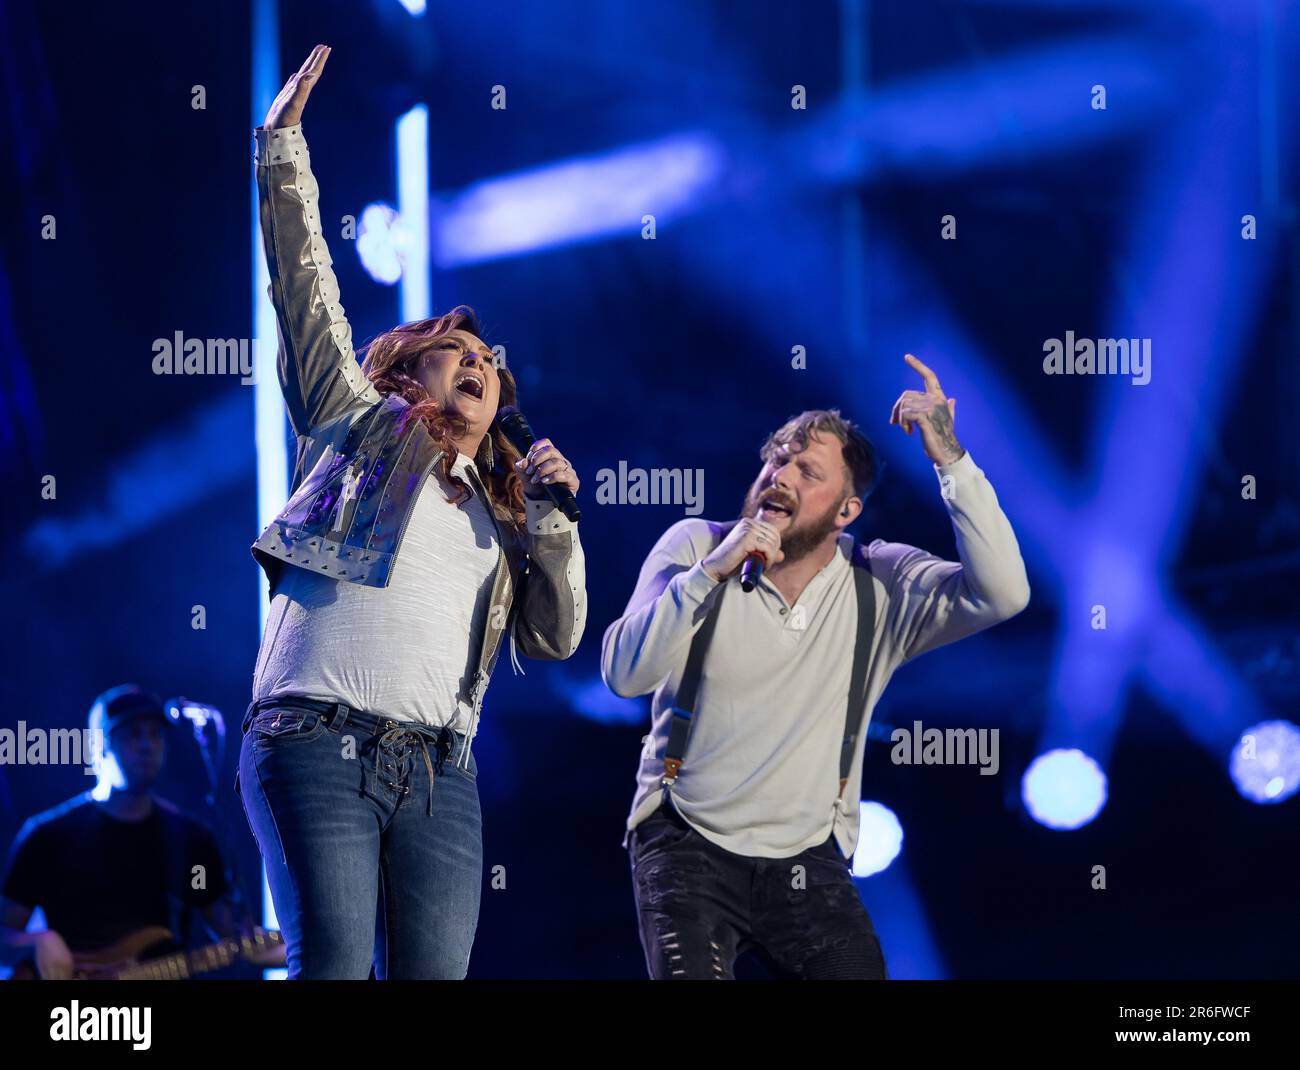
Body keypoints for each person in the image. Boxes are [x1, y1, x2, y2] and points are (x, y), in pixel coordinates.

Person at [239, 44, 587, 979]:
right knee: (337, 968)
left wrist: (553, 518)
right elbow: (306, 296)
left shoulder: (503, 509)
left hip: (442, 774)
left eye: (489, 359)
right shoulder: (359, 426)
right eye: (455, 348)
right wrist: (281, 153)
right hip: (316, 741)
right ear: (403, 370)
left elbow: (557, 639)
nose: (479, 360)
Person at [603, 356, 1030, 979]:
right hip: (684, 837)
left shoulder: (880, 580)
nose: (782, 475)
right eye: (777, 459)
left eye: (808, 471)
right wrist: (710, 573)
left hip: (806, 857)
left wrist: (951, 460)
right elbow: (624, 675)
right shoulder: (696, 545)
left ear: (845, 511)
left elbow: (1005, 592)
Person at [0, 685, 280, 979]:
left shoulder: (192, 840)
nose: (147, 745)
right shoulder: (47, 837)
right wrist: (36, 941)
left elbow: (238, 941)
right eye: (133, 733)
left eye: (155, 734)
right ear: (99, 747)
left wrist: (310, 946)